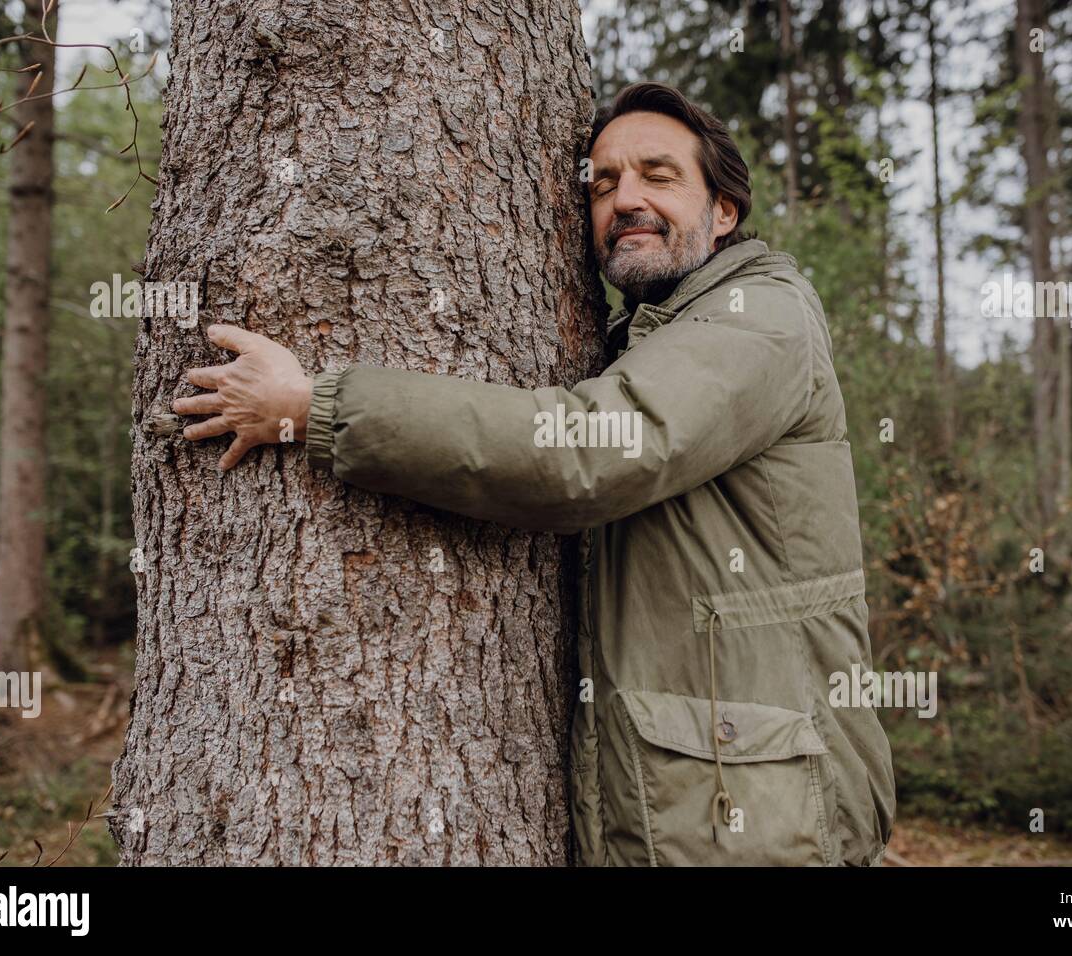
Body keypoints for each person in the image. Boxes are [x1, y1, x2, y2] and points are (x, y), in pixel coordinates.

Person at [173, 82, 895, 866]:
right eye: (605, 183)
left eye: (659, 176)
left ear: (724, 211)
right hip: (710, 802)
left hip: (760, 818)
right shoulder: (657, 334)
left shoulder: (760, 316)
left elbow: (583, 453)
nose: (627, 200)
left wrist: (319, 407)